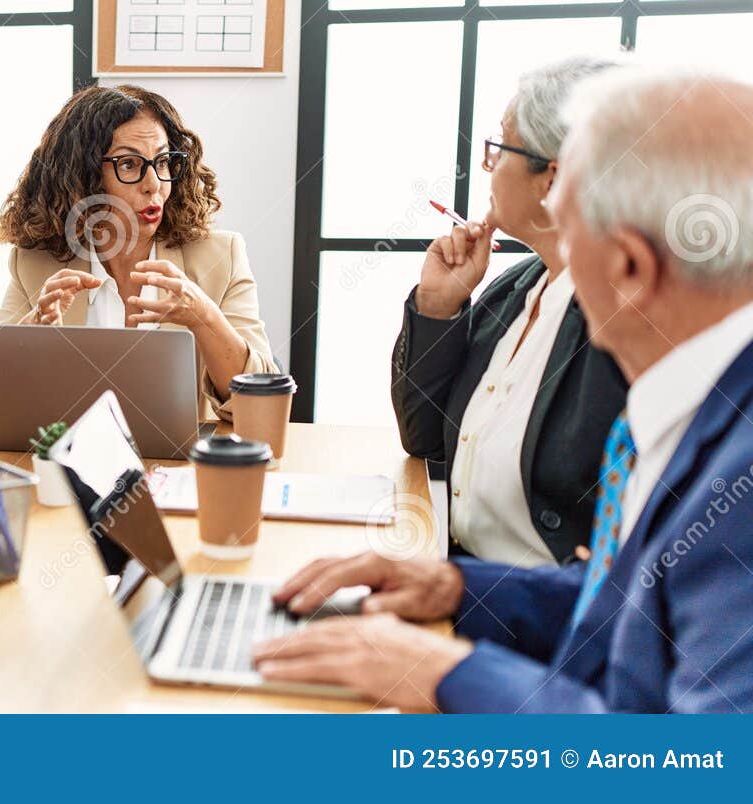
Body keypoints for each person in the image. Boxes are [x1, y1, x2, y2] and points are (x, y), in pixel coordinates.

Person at [254, 68, 753, 713]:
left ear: (628, 267)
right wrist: (454, 587)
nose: (560, 264)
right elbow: (628, 614)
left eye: (571, 235)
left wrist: (449, 674)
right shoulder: (695, 399)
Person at [392, 57, 627, 568]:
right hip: (455, 573)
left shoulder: (627, 322)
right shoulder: (513, 289)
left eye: (500, 148)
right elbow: (423, 438)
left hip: (543, 615)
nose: (487, 165)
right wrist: (438, 306)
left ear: (552, 179)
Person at [0, 84, 275, 420]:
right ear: (84, 175)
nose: (155, 184)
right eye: (130, 164)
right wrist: (30, 331)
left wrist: (203, 318)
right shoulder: (37, 262)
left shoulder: (221, 256)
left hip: (180, 469)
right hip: (71, 465)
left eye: (163, 162)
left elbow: (262, 401)